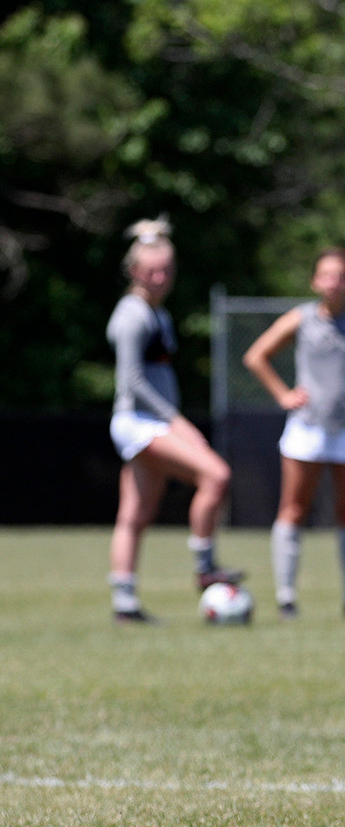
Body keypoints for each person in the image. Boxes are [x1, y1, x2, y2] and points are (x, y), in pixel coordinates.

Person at [241, 247, 345, 620]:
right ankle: (286, 598)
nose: (334, 283)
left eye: (341, 276)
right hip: (307, 429)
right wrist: (283, 394)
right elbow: (255, 356)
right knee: (293, 510)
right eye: (326, 275)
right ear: (314, 281)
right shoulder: (301, 318)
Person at [106, 217, 243, 623]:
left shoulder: (158, 314)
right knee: (216, 475)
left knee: (136, 512)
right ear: (134, 272)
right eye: (150, 271)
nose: (159, 277)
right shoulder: (131, 315)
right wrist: (177, 422)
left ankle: (124, 604)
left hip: (152, 422)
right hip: (139, 421)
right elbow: (131, 380)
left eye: (165, 270)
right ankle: (205, 567)